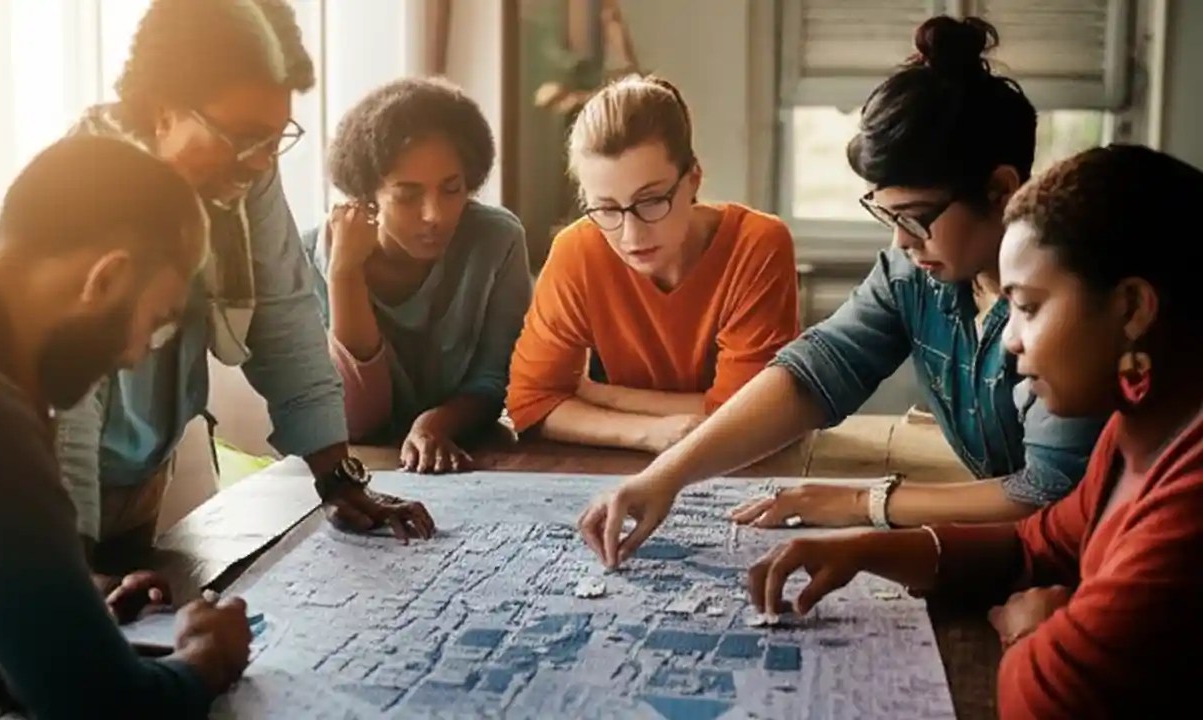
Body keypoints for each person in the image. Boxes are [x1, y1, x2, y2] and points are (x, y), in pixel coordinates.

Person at [576, 17, 1107, 568]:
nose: (901, 239)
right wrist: (666, 475)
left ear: (1001, 190)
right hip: (1002, 552)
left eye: (916, 217)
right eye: (885, 213)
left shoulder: (1066, 306)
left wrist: (863, 502)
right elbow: (814, 372)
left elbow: (1050, 493)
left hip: (1082, 560)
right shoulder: (917, 273)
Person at [748, 144, 1203, 717]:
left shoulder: (1189, 497)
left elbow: (1041, 695)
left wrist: (1029, 630)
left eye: (1029, 308)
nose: (1010, 341)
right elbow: (1032, 545)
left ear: (1132, 307)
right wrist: (867, 550)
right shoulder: (1134, 429)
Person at [54, 0, 434, 582]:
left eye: (275, 136)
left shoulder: (240, 177)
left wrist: (337, 478)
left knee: (138, 623)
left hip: (141, 470)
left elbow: (283, 315)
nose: (260, 161)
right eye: (243, 137)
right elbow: (70, 402)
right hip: (50, 486)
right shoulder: (88, 193)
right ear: (162, 113)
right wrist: (70, 574)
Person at [0, 136, 250, 717]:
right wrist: (204, 653)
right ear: (105, 280)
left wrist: (58, 593)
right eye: (153, 325)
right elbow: (103, 709)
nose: (133, 357)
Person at [507, 74, 801, 455]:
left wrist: (602, 396)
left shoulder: (757, 245)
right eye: (606, 208)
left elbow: (745, 414)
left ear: (693, 180)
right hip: (625, 466)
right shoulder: (577, 250)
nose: (631, 235)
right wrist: (648, 433)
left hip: (758, 463)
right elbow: (530, 404)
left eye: (650, 201)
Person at [303, 77, 532, 474]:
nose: (435, 215)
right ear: (367, 193)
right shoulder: (309, 259)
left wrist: (433, 424)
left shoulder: (497, 240)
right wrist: (344, 274)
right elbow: (358, 421)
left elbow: (496, 381)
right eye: (408, 196)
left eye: (452, 188)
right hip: (355, 473)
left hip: (466, 457)